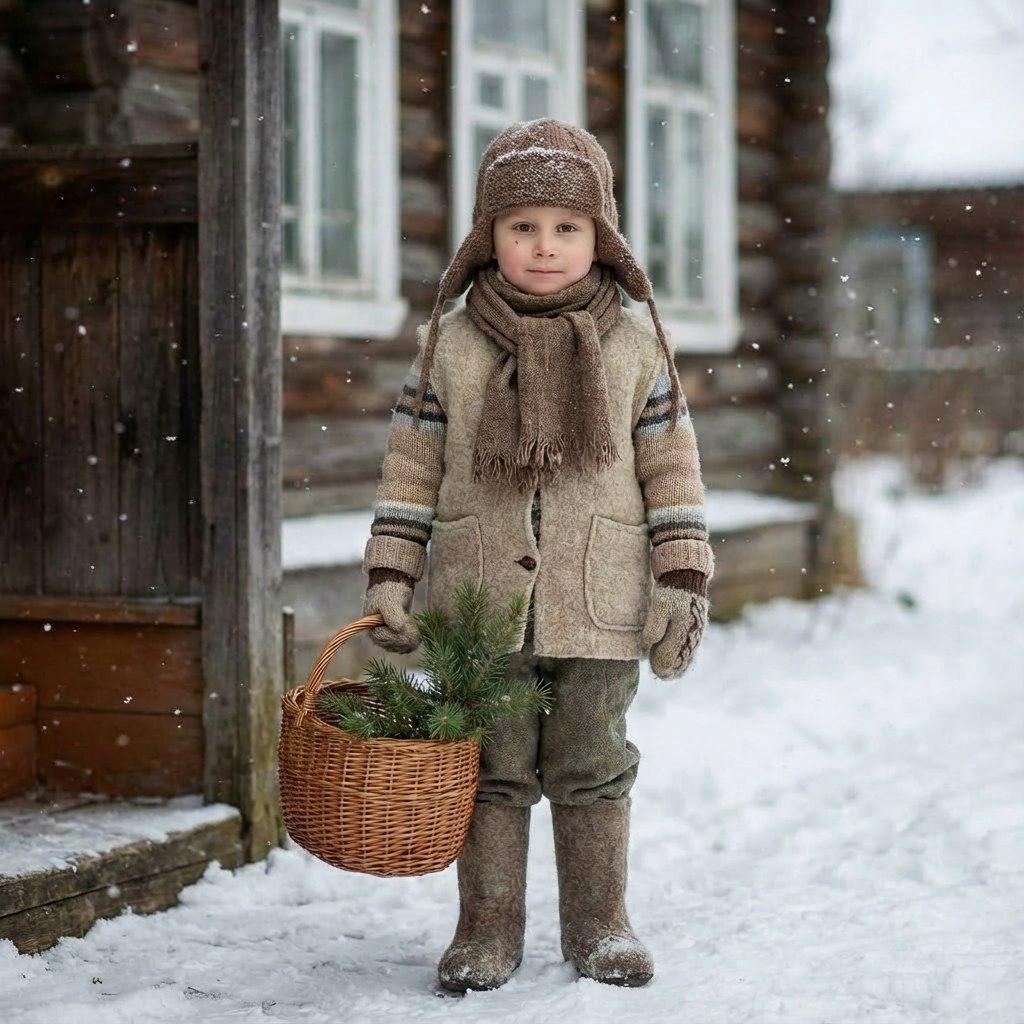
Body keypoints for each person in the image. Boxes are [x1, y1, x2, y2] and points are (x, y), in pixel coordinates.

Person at [361, 119, 713, 992]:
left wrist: (682, 578)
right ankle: (486, 930)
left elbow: (671, 464)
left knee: (592, 763)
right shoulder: (453, 338)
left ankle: (601, 924)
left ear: (601, 237)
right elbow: (412, 461)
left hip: (603, 595)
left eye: (567, 227)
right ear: (490, 237)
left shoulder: (634, 339)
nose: (545, 247)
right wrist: (393, 573)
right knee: (490, 768)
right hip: (482, 600)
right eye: (523, 227)